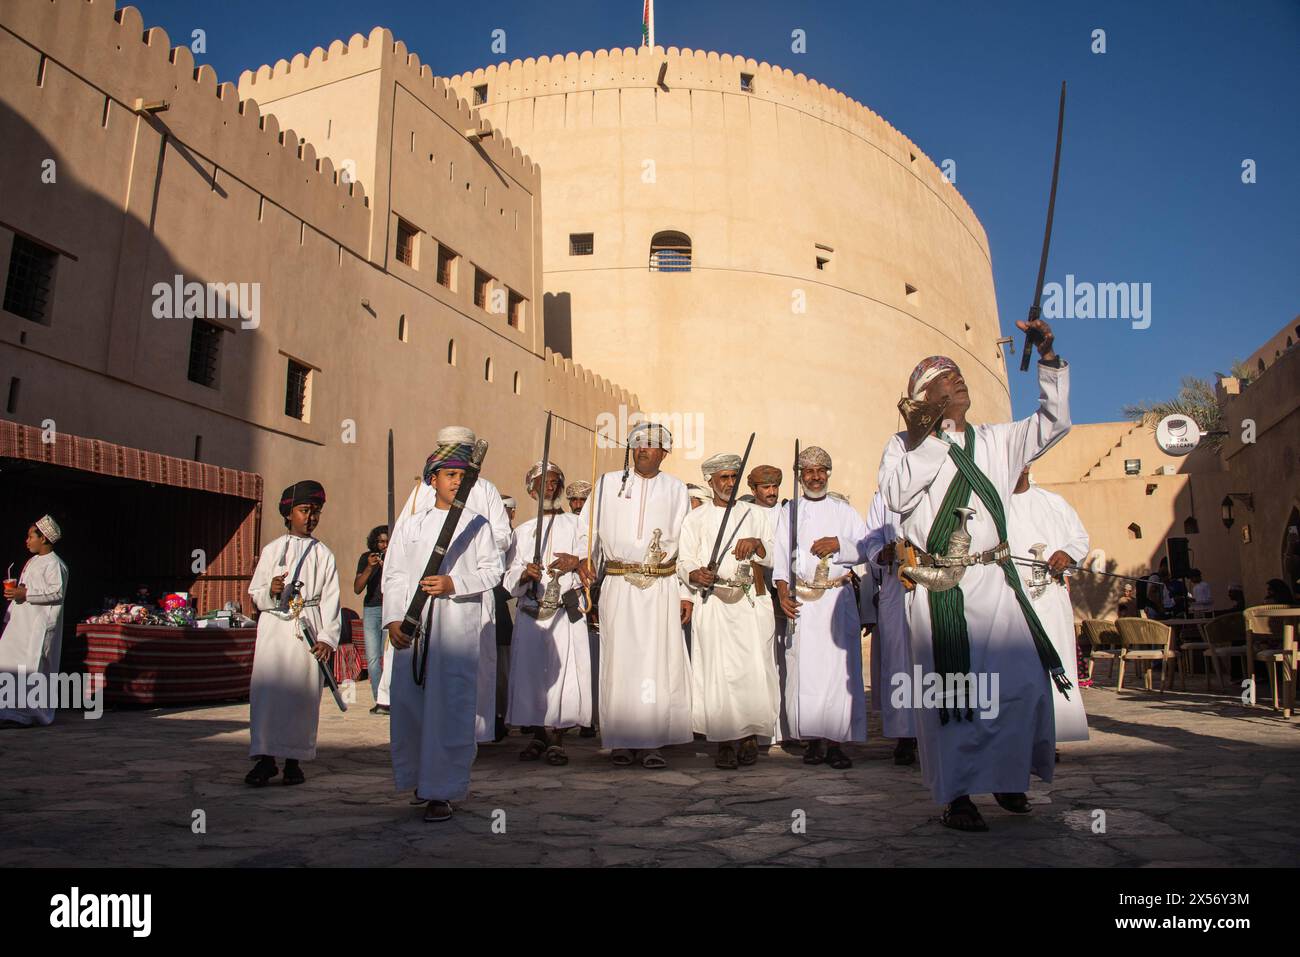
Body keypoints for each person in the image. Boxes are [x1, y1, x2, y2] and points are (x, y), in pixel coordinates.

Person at [879, 315, 1070, 832]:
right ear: (923, 396)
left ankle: (1009, 779)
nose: (957, 379)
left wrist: (1047, 359)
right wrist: (933, 436)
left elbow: (1053, 424)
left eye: (958, 373)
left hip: (998, 584)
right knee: (952, 695)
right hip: (944, 589)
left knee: (1020, 686)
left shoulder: (999, 440)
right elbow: (896, 497)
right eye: (944, 376)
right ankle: (957, 796)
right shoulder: (904, 445)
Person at [383, 440, 503, 823]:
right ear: (432, 480)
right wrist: (393, 620)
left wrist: (454, 583)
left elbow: (492, 571)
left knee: (450, 708)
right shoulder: (412, 525)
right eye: (450, 475)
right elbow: (395, 573)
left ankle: (444, 790)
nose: (456, 481)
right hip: (414, 630)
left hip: (455, 628)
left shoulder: (476, 525)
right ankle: (420, 780)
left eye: (462, 476)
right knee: (411, 707)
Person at [578, 421, 693, 769]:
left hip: (661, 587)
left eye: (652, 445)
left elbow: (685, 545)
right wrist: (585, 563)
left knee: (657, 662)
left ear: (664, 453)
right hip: (618, 585)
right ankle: (621, 740)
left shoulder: (675, 489)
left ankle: (653, 741)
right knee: (619, 661)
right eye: (638, 444)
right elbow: (588, 530)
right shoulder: (607, 483)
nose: (644, 449)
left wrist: (686, 593)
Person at [395, 426, 511, 746]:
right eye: (449, 450)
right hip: (424, 600)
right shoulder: (422, 491)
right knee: (425, 672)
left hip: (468, 598)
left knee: (469, 672)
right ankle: (429, 740)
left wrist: (467, 551)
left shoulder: (484, 490)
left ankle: (470, 736)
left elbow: (501, 537)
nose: (457, 473)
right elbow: (402, 552)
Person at [678, 453, 779, 769]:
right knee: (717, 673)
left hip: (750, 602)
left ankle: (749, 736)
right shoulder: (695, 519)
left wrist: (757, 543)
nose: (730, 484)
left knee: (751, 672)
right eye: (724, 478)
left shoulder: (754, 514)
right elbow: (684, 561)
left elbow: (774, 555)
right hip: (714, 603)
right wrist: (695, 575)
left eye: (734, 477)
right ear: (710, 481)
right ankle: (722, 741)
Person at [773, 446, 869, 770]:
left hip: (837, 601)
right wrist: (783, 593)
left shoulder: (844, 511)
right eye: (808, 471)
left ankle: (837, 743)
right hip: (804, 602)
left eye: (820, 470)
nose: (815, 477)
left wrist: (839, 544)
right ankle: (812, 740)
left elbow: (868, 547)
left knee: (839, 671)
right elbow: (782, 557)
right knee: (804, 671)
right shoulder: (789, 511)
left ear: (828, 473)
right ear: (801, 477)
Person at [245, 481, 340, 786]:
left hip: (306, 630)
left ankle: (294, 761)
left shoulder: (324, 554)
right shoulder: (272, 550)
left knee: (301, 695)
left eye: (316, 512)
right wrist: (270, 592)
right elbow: (255, 592)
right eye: (304, 510)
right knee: (269, 694)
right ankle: (265, 759)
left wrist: (326, 637)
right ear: (289, 513)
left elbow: (331, 599)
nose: (310, 517)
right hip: (275, 629)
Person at [505, 460, 591, 765]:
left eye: (555, 482)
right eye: (543, 483)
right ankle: (538, 734)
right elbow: (509, 574)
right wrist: (524, 574)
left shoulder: (579, 525)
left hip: (565, 611)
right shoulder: (524, 532)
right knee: (532, 673)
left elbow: (593, 560)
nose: (550, 487)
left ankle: (557, 737)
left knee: (564, 675)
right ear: (532, 491)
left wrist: (577, 561)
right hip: (532, 611)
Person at [1008, 467, 1090, 749]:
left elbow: (1079, 539)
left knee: (1056, 660)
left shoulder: (1054, 503)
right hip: (1011, 600)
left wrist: (1067, 554)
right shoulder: (994, 505)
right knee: (1018, 667)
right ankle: (1024, 735)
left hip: (1050, 598)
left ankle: (1052, 733)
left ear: (1028, 467)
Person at [852, 491, 917, 764]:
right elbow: (871, 540)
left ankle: (937, 730)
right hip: (896, 586)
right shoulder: (884, 497)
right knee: (900, 663)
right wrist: (882, 552)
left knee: (934, 659)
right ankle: (906, 735)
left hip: (936, 583)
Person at [0, 515, 69, 727]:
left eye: (31, 536)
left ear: (45, 539)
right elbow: (20, 590)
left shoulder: (56, 565)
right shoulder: (31, 562)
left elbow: (56, 592)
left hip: (38, 627)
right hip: (19, 625)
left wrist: (26, 594)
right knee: (9, 667)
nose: (27, 540)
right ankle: (8, 713)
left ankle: (29, 715)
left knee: (32, 669)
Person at [747, 464, 789, 743]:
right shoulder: (745, 514)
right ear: (754, 489)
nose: (772, 492)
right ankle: (762, 729)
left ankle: (787, 725)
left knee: (786, 658)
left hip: (785, 590)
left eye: (775, 487)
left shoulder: (788, 513)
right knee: (760, 656)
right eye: (766, 487)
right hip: (758, 589)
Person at [354, 525, 389, 713]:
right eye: (380, 542)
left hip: (390, 608)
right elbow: (357, 588)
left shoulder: (395, 557)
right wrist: (370, 566)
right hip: (371, 610)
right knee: (373, 658)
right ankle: (380, 700)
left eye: (387, 541)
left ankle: (389, 697)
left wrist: (388, 566)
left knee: (388, 656)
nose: (384, 546)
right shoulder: (366, 559)